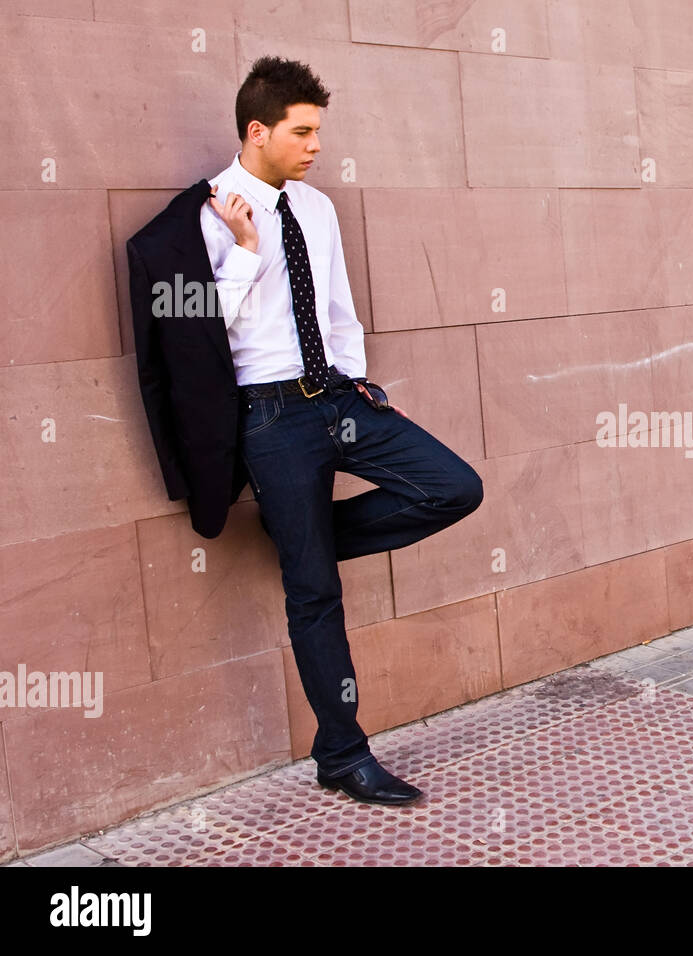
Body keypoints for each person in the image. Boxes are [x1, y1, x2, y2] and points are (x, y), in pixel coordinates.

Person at [200, 56, 483, 804]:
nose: (315, 144)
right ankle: (343, 756)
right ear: (258, 130)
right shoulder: (212, 212)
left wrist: (355, 377)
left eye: (318, 130)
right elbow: (199, 333)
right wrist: (247, 256)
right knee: (314, 594)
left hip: (338, 398)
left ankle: (307, 539)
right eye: (302, 131)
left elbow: (336, 306)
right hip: (271, 416)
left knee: (454, 487)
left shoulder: (316, 208)